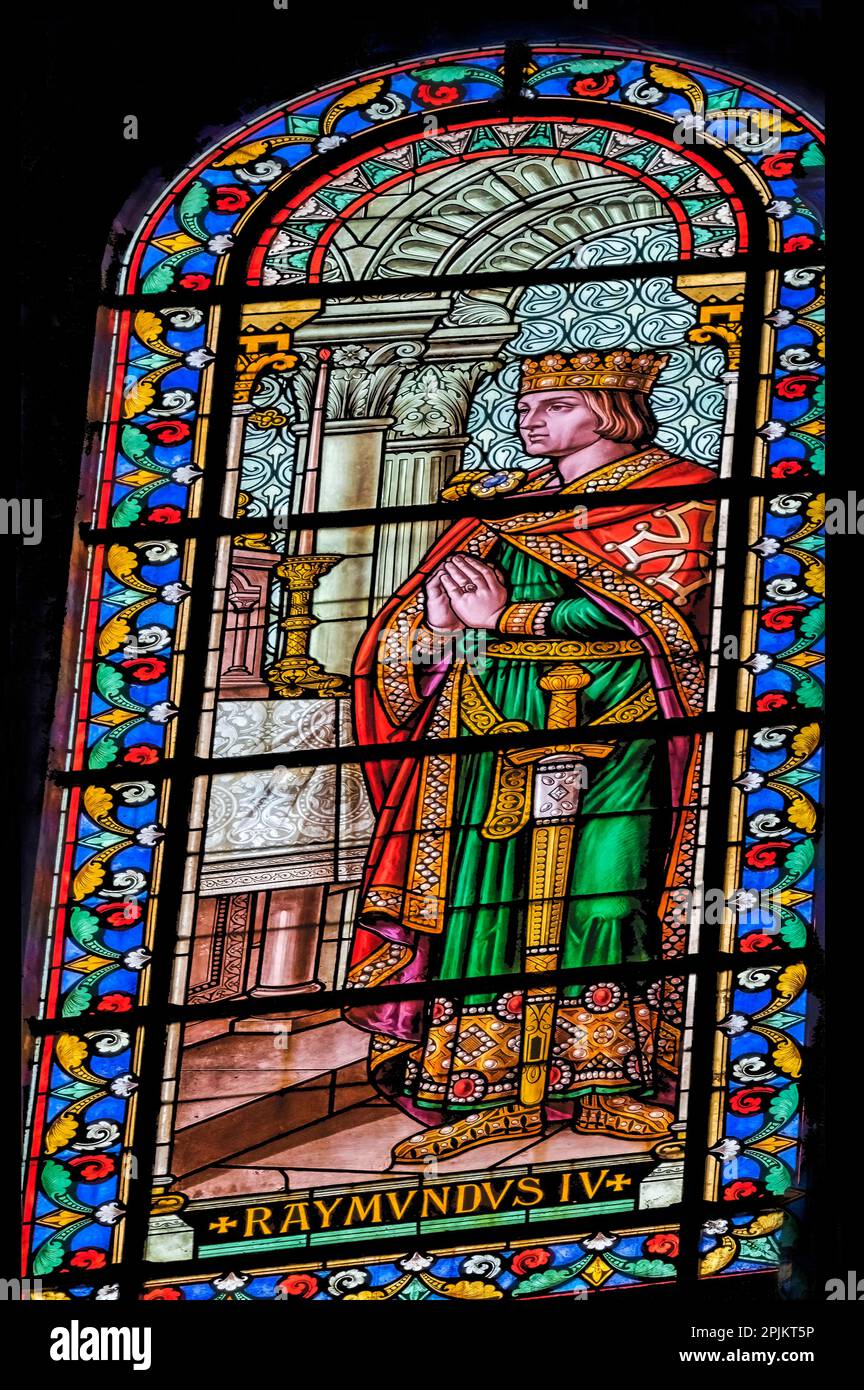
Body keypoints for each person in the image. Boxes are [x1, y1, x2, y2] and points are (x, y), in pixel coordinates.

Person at [344, 349, 716, 1164]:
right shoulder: (504, 507)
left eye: (555, 404)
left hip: (619, 724)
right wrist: (439, 628)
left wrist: (509, 619)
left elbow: (668, 615)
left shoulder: (678, 496)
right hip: (489, 726)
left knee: (607, 897)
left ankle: (607, 1083)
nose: (530, 418)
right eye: (525, 404)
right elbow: (431, 613)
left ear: (612, 411)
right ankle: (485, 1086)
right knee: (485, 909)